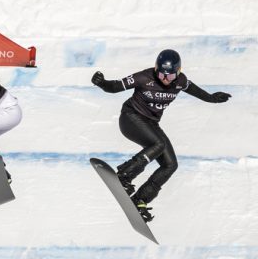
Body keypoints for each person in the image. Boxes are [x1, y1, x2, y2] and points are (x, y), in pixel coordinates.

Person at [90, 50, 230, 223]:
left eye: (170, 77)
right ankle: (124, 175)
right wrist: (102, 83)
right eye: (161, 74)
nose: (165, 79)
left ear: (178, 73)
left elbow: (197, 92)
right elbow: (115, 87)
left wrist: (212, 98)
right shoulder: (144, 77)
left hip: (151, 124)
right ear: (156, 69)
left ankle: (140, 200)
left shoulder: (181, 81)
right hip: (130, 118)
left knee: (171, 165)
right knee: (159, 144)